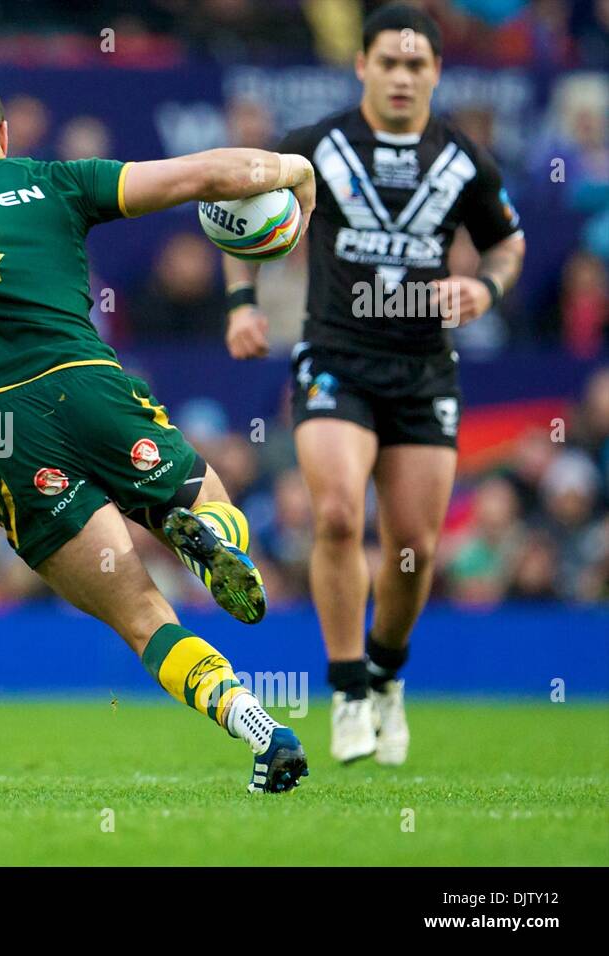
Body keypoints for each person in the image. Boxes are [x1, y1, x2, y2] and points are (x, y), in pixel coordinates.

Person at [0, 70, 318, 793]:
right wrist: (293, 168)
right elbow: (206, 173)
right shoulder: (53, 179)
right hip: (86, 381)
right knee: (209, 498)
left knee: (141, 615)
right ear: (3, 136)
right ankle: (209, 540)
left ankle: (260, 732)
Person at [222, 4, 526, 766]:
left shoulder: (462, 159)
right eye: (388, 61)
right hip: (335, 355)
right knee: (332, 514)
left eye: (415, 64)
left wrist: (484, 292)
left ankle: (387, 673)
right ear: (361, 66)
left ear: (436, 73)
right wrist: (240, 304)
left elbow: (508, 243)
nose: (400, 76)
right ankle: (348, 689)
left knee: (414, 547)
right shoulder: (314, 146)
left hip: (424, 369)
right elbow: (234, 204)